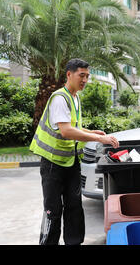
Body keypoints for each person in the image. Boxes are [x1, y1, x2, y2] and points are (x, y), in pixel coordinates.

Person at [29, 58, 119, 245]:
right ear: (69, 75)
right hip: (53, 163)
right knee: (53, 210)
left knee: (74, 207)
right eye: (81, 75)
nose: (85, 80)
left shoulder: (75, 98)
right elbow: (66, 130)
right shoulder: (60, 98)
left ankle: (74, 242)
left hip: (70, 162)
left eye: (87, 76)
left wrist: (90, 132)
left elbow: (73, 126)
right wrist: (99, 138)